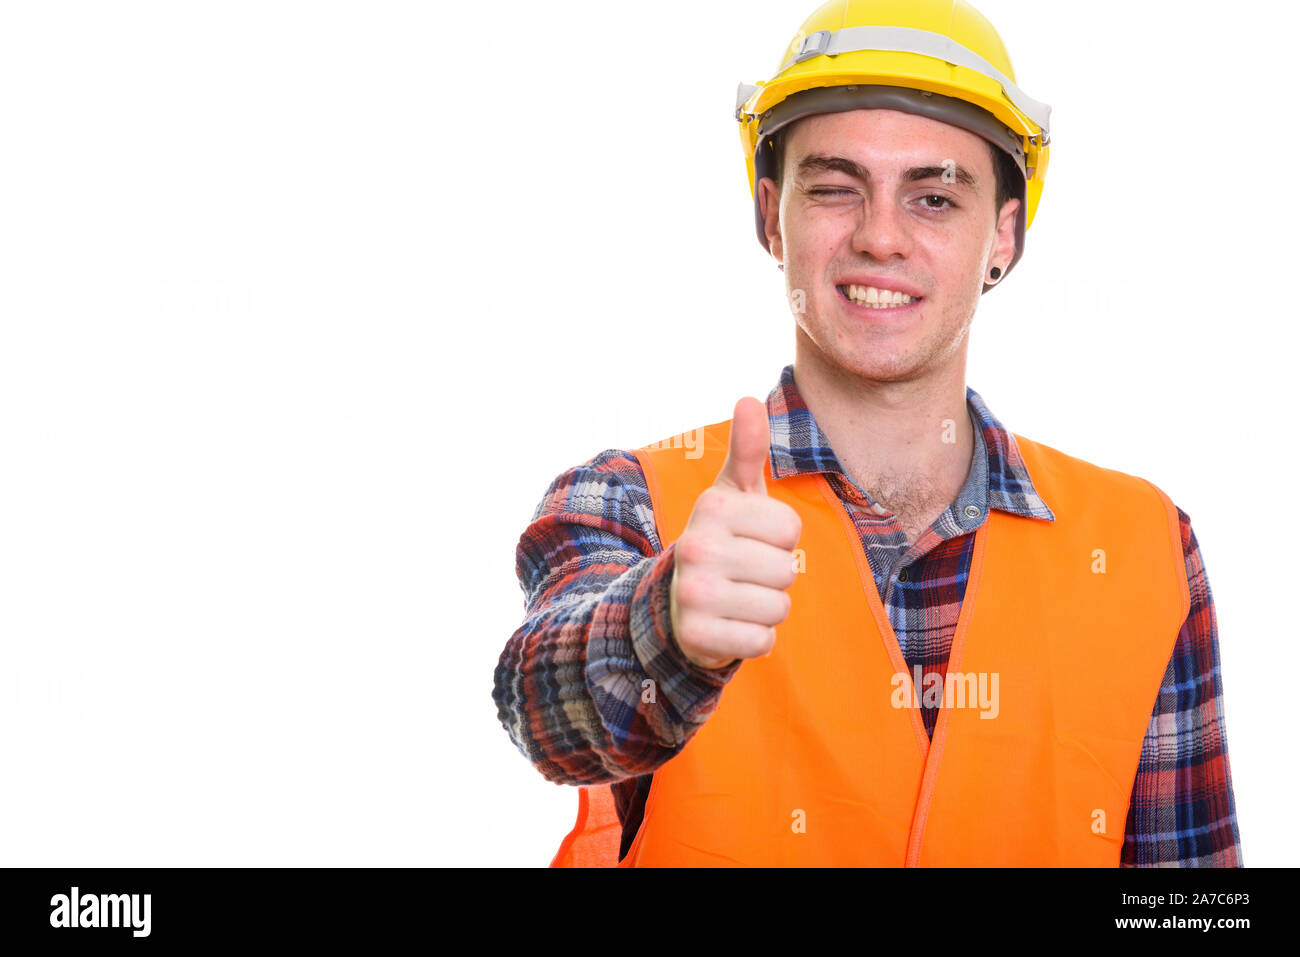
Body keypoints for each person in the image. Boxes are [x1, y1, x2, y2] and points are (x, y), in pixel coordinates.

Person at [492, 0, 1242, 866]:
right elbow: (542, 709)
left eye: (933, 197)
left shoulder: (1144, 547)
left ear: (1004, 235)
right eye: (835, 188)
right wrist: (664, 626)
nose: (880, 237)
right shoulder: (632, 501)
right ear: (771, 215)